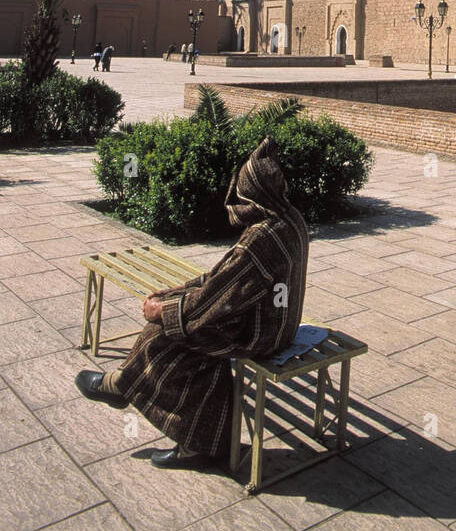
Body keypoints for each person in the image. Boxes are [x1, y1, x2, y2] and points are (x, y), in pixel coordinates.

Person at [75, 138, 309, 469]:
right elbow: (224, 279)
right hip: (277, 325)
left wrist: (164, 309)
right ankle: (199, 440)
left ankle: (126, 389)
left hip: (260, 336)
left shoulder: (261, 238)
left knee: (166, 332)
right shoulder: (289, 218)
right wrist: (175, 293)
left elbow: (216, 297)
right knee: (180, 322)